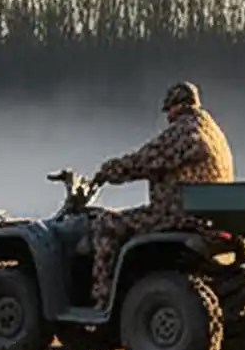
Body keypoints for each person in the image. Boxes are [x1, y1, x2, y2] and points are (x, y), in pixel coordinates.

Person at [87, 82, 235, 310]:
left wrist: (106, 171)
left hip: (177, 214)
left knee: (106, 225)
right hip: (209, 215)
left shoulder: (184, 132)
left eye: (169, 111)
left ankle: (102, 301)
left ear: (176, 107)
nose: (168, 117)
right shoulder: (213, 131)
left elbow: (143, 161)